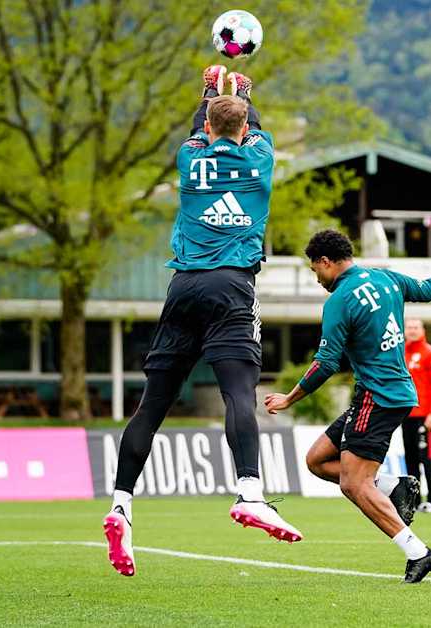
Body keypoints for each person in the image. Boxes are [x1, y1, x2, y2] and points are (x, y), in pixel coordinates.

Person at [102, 66, 302, 578]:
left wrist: (211, 90)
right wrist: (243, 95)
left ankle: (121, 504)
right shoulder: (259, 156)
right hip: (231, 286)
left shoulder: (190, 158)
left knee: (153, 405)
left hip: (184, 286)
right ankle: (250, 493)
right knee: (239, 393)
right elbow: (240, 124)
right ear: (246, 129)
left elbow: (206, 126)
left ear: (207, 129)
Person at [265, 230, 431, 583]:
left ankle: (418, 552)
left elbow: (326, 362)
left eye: (315, 269)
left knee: (353, 484)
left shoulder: (339, 300)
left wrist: (290, 397)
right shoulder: (384, 277)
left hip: (376, 396)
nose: (317, 278)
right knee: (317, 460)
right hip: (393, 394)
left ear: (326, 262)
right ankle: (393, 486)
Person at [403, 318, 431, 513]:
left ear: (422, 330)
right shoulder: (400, 352)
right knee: (410, 459)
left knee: (427, 458)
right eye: (409, 327)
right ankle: (414, 501)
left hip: (425, 415)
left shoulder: (430, 353)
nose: (412, 331)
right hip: (406, 415)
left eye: (416, 327)